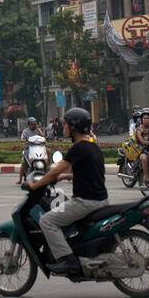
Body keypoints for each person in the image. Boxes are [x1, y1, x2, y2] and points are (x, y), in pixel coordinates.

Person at [33, 107, 107, 278]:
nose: (63, 127)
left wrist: (35, 185)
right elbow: (92, 172)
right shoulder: (92, 147)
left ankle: (68, 260)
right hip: (101, 199)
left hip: (86, 202)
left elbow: (52, 171)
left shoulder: (78, 148)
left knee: (47, 221)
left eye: (66, 124)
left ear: (74, 127)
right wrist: (66, 176)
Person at [135, 109, 149, 187]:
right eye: (144, 118)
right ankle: (147, 178)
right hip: (143, 150)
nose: (146, 120)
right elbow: (143, 142)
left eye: (148, 118)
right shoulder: (139, 129)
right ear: (141, 120)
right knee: (144, 158)